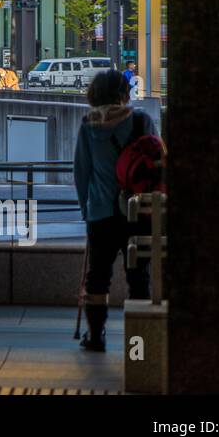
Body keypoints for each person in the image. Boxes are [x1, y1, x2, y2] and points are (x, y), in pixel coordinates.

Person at [73, 69, 157, 352]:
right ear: (124, 92)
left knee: (97, 277)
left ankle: (96, 336)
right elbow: (159, 164)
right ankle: (141, 340)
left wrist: (86, 211)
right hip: (139, 212)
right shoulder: (142, 121)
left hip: (100, 213)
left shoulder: (88, 126)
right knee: (139, 277)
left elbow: (81, 173)